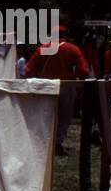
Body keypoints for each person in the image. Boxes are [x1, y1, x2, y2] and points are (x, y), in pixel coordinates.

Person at [25, 25, 90, 155]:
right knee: (64, 116)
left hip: (46, 86)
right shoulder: (72, 49)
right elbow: (84, 71)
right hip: (66, 85)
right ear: (65, 35)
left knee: (46, 115)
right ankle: (57, 143)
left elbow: (28, 70)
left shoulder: (43, 49)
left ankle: (44, 142)